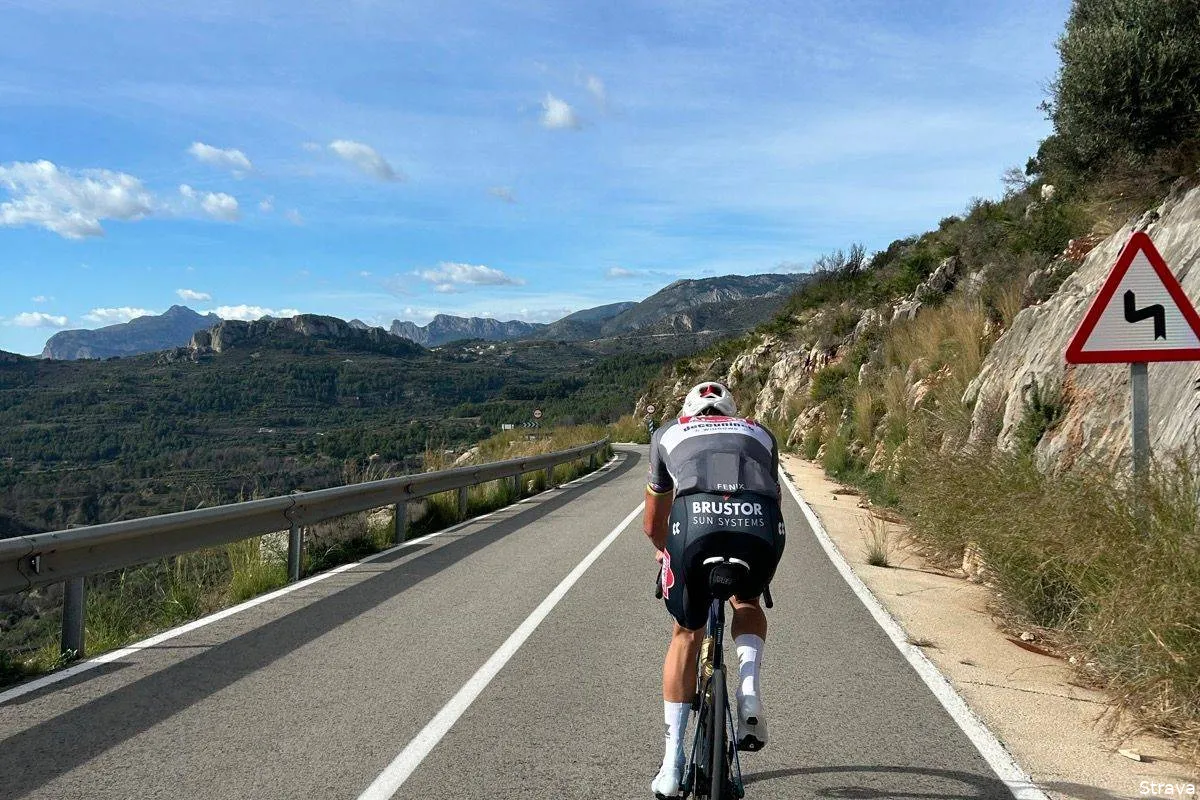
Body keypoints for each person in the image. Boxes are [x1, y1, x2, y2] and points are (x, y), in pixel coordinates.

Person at [644, 381, 785, 799]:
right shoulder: (760, 432)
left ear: (689, 411)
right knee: (747, 600)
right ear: (731, 412)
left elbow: (654, 524)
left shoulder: (667, 433)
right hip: (758, 528)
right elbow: (771, 498)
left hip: (694, 530)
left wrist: (664, 552)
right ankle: (748, 692)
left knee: (686, 632)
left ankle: (671, 766)